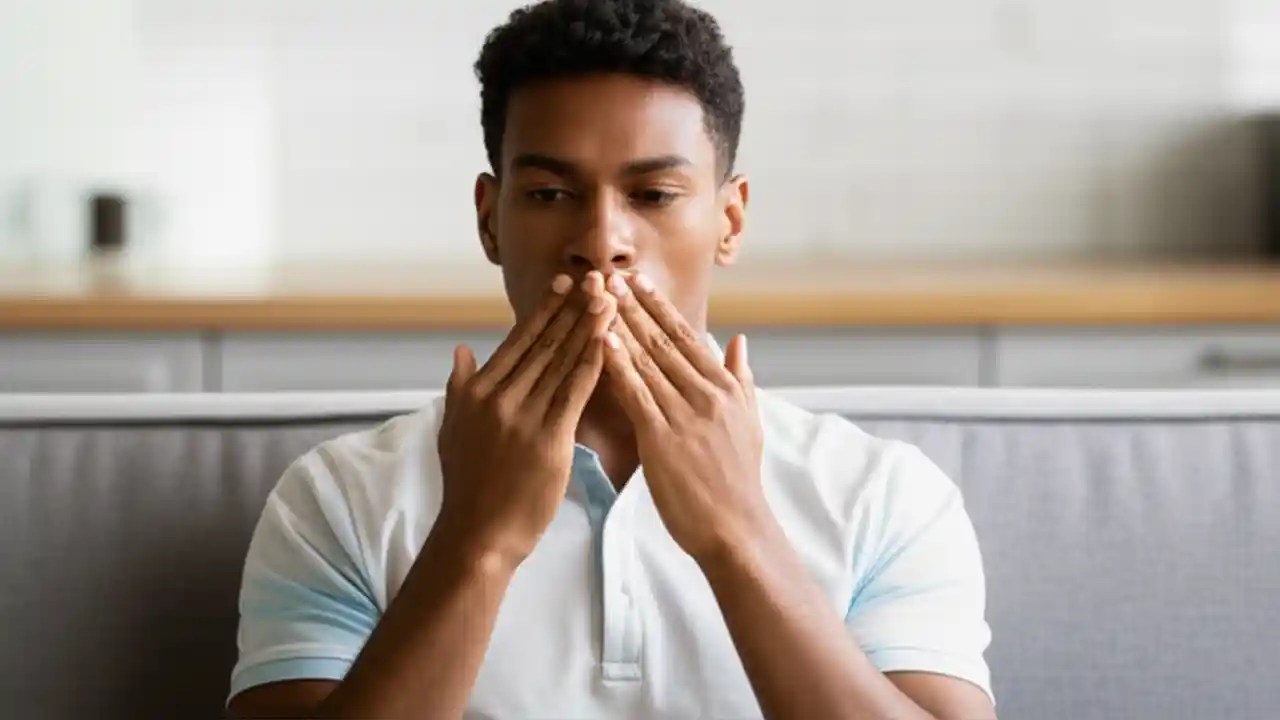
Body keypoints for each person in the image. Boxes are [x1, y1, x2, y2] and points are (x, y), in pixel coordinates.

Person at [226, 1, 996, 717]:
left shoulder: (884, 497)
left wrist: (737, 534)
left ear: (729, 222)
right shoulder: (335, 500)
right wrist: (476, 540)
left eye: (654, 195)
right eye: (551, 195)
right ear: (490, 222)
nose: (601, 244)